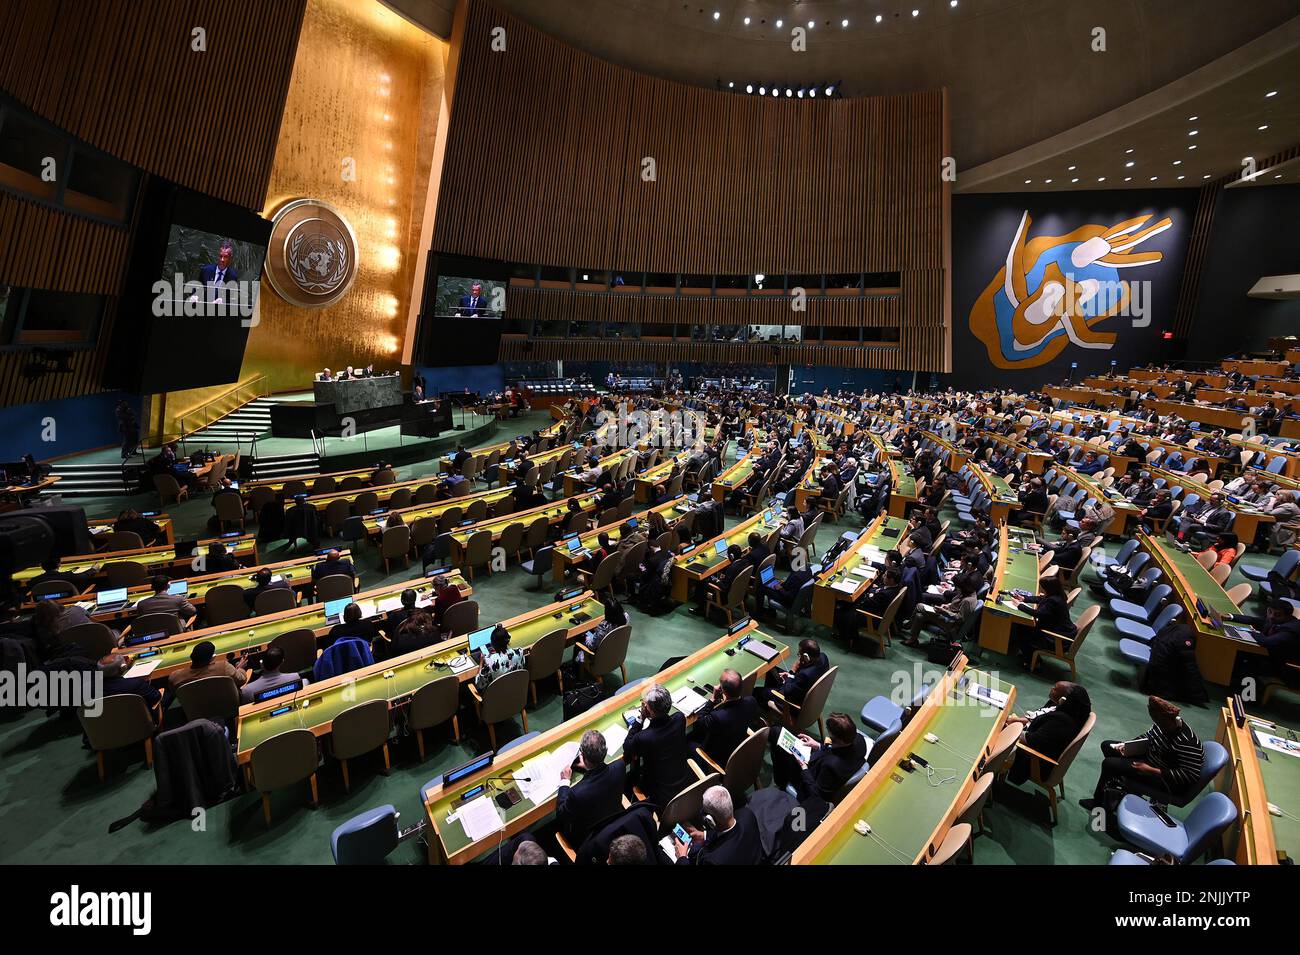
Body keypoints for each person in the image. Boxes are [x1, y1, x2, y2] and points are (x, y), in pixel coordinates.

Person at [1081, 696, 1203, 809]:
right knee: (1107, 746)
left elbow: (1189, 775)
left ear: (1168, 720)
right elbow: (1149, 736)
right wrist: (1128, 746)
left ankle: (1098, 803)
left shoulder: (1186, 742)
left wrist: (1151, 770)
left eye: (1158, 722)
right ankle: (1124, 787)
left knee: (1109, 764)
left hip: (1166, 780)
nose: (1157, 724)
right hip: (1154, 759)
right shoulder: (1164, 724)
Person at [1005, 682, 1092, 785]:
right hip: (1029, 742)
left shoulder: (1061, 722)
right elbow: (1034, 721)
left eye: (1055, 689)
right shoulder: (1061, 708)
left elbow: (1031, 741)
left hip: (1031, 759)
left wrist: (1009, 729)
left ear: (1063, 700)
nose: (1051, 689)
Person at [622, 682, 693, 806]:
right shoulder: (679, 718)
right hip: (684, 781)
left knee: (629, 780)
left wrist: (640, 719)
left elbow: (627, 746)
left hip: (661, 794)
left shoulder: (644, 737)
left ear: (649, 711)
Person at [768, 711, 867, 800]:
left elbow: (816, 794)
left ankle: (781, 782)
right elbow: (835, 749)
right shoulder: (859, 739)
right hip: (820, 762)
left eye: (830, 732)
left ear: (838, 739)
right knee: (784, 734)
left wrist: (804, 769)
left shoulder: (831, 767)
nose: (828, 734)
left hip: (807, 777)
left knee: (775, 733)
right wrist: (818, 745)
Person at [556, 729, 627, 846]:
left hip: (588, 840)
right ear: (605, 751)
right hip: (614, 824)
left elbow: (561, 814)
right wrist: (589, 766)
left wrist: (564, 781)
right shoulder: (619, 767)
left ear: (582, 755)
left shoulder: (577, 793)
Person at [1218, 599, 1300, 690]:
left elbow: (1266, 642)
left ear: (1288, 616)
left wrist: (1253, 632)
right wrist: (1229, 617)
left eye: (1277, 615)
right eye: (1270, 612)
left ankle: (1250, 696)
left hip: (1276, 665)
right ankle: (1225, 679)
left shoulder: (1291, 629)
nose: (1271, 616)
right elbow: (1254, 620)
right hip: (1263, 654)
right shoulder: (1274, 618)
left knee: (1241, 661)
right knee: (1232, 652)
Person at [672, 785, 763, 865]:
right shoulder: (747, 814)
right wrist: (704, 835)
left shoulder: (712, 861)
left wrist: (682, 858)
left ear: (710, 820)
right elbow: (728, 831)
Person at [688, 667, 760, 766]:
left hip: (717, 757)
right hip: (737, 743)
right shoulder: (751, 701)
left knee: (688, 742)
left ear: (722, 690)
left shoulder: (718, 717)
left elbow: (700, 722)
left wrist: (712, 699)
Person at [1140, 621, 1208, 704]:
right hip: (1158, 675)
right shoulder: (1186, 639)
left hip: (1155, 661)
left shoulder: (1177, 629)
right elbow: (1190, 668)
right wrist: (1201, 696)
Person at [754, 637, 829, 710]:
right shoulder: (823, 657)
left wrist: (791, 673)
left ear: (806, 656)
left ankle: (764, 707)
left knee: (758, 691)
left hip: (791, 702)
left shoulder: (805, 675)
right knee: (772, 670)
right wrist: (791, 675)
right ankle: (767, 699)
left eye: (799, 654)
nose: (798, 655)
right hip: (803, 689)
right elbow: (801, 679)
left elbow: (787, 691)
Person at [167, 640, 250, 695]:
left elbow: (175, 693)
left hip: (194, 711)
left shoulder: (174, 677)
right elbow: (242, 680)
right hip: (225, 705)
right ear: (212, 658)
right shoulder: (224, 667)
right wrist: (240, 668)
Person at [240, 646, 308, 703]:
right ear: (282, 662)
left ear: (261, 663)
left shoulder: (247, 691)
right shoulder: (295, 678)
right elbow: (305, 683)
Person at [474, 624, 525, 691]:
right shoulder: (519, 651)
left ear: (492, 644)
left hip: (496, 696)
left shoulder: (489, 662)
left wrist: (481, 663)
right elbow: (522, 666)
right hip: (516, 691)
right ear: (508, 642)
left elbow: (479, 685)